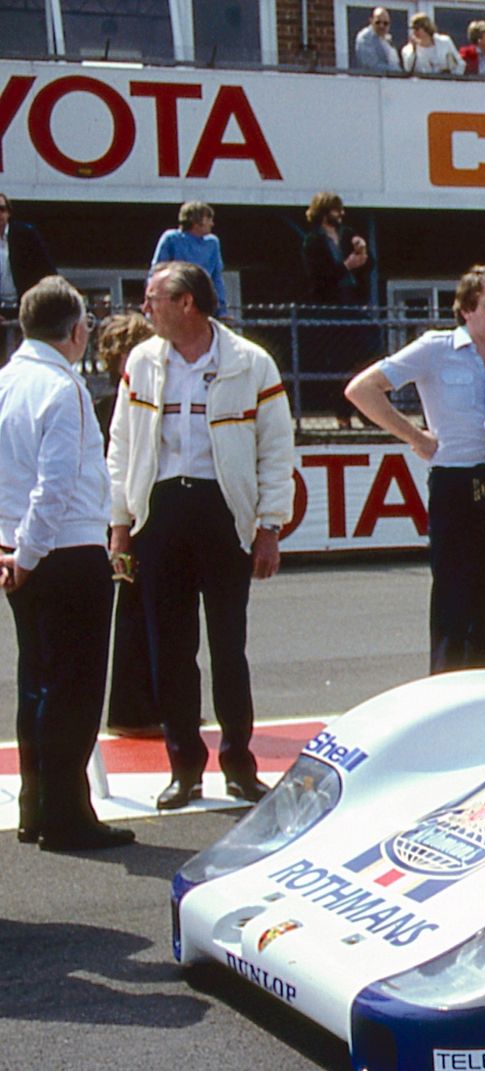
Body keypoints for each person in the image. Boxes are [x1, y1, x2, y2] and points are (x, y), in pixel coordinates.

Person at [108, 262, 296, 809]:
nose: (145, 308)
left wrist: (268, 527)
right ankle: (183, 767)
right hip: (160, 511)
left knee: (228, 646)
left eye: (152, 298)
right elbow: (120, 448)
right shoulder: (142, 362)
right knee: (171, 648)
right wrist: (121, 525)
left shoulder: (250, 363)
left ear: (186, 302)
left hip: (223, 512)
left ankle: (238, 765)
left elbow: (276, 450)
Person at [345, 266, 485, 674]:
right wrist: (415, 436)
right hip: (456, 483)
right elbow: (362, 389)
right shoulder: (435, 348)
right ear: (467, 309)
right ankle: (445, 689)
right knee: (452, 594)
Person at [0, 278, 131, 851]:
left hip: (17, 550)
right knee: (75, 689)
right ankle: (67, 814)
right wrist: (30, 554)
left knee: (38, 684)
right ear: (76, 331)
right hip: (65, 549)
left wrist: (15, 553)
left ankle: (36, 806)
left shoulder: (6, 381)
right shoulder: (64, 387)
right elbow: (56, 486)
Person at [92, 312, 158, 740]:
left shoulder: (103, 404)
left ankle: (136, 706)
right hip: (132, 515)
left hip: (119, 514)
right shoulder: (125, 404)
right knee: (141, 611)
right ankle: (138, 709)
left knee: (136, 609)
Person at [299, 191, 371, 427]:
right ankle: (342, 415)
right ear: (323, 211)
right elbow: (318, 277)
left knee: (363, 358)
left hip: (352, 302)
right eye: (335, 210)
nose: (341, 214)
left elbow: (368, 266)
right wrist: (345, 266)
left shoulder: (347, 234)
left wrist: (362, 252)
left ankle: (364, 411)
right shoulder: (313, 241)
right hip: (329, 305)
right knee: (336, 363)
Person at [151, 200, 229, 320]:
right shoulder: (171, 238)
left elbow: (216, 277)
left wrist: (222, 310)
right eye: (208, 219)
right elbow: (157, 272)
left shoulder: (213, 243)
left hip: (203, 303)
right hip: (175, 301)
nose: (212, 224)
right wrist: (153, 301)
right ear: (196, 221)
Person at [0, 193, 56, 319]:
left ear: (8, 213)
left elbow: (47, 271)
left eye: (2, 209)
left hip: (27, 308)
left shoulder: (26, 234)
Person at [353, 7, 398, 71]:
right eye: (378, 22)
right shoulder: (365, 37)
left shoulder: (388, 40)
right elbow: (372, 66)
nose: (381, 26)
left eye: (385, 23)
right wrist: (397, 72)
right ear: (371, 21)